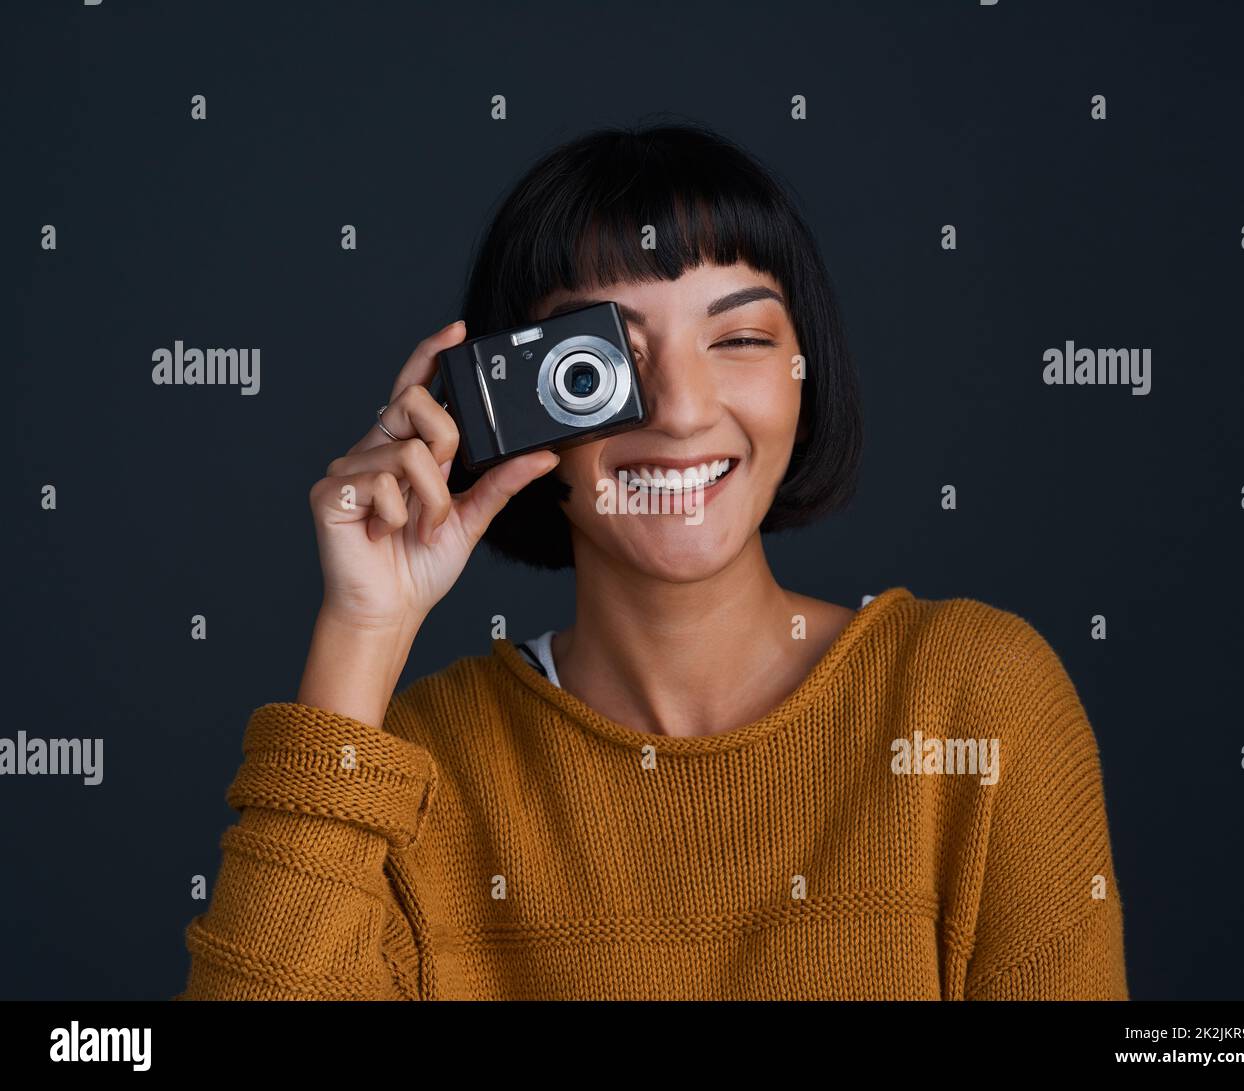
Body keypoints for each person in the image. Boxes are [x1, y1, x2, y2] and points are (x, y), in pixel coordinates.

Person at [177, 122, 1128, 1000]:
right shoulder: (412, 773)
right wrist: (363, 630)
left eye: (742, 337)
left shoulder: (973, 701)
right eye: (600, 364)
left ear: (810, 372)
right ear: (504, 408)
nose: (680, 408)